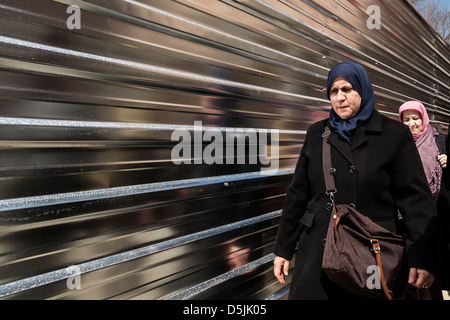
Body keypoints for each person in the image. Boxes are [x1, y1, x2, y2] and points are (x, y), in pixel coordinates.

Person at [273, 61, 438, 300]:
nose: (340, 97)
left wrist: (422, 256)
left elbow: (416, 202)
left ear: (363, 89)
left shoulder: (394, 134)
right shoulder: (317, 134)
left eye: (347, 89)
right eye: (333, 91)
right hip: (318, 257)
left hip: (371, 257)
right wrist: (283, 249)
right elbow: (298, 195)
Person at [399, 101, 450, 299]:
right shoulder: (399, 144)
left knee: (435, 269)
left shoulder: (440, 141)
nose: (411, 123)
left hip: (438, 216)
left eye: (415, 118)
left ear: (424, 118)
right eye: (406, 119)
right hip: (409, 218)